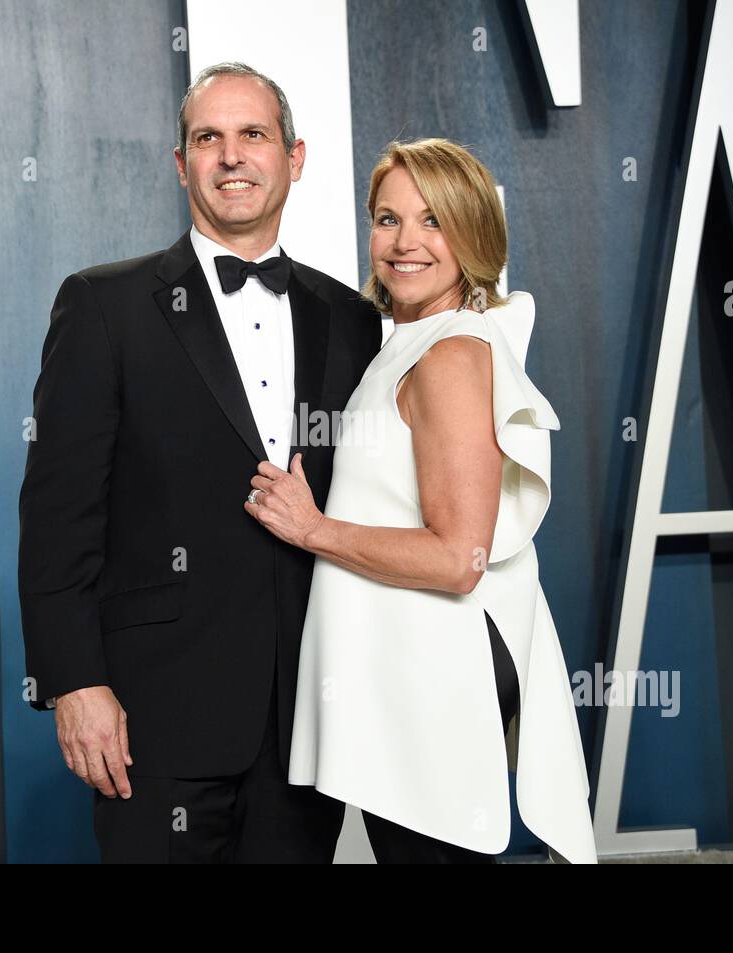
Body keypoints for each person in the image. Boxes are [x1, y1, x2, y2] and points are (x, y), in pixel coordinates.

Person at [17, 62, 381, 863]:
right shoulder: (103, 305)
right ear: (182, 165)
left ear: (294, 157)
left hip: (307, 723)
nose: (232, 155)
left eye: (253, 134)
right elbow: (56, 517)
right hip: (153, 721)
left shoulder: (353, 318)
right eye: (208, 138)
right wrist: (74, 682)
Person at [244, 138, 598, 864]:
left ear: (474, 235)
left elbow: (458, 558)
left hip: (440, 665)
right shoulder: (413, 342)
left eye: (433, 220)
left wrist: (313, 529)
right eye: (388, 219)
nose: (406, 242)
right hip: (410, 664)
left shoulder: (450, 356)